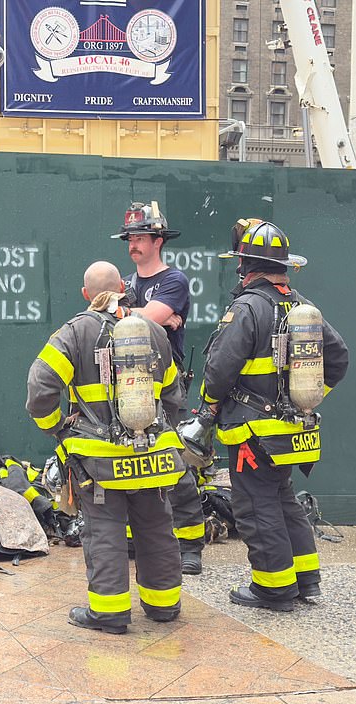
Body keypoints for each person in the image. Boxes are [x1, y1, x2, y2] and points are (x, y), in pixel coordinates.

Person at [26, 261, 186, 634]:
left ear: (86, 294)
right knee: (157, 526)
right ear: (123, 288)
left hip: (101, 462)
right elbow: (173, 394)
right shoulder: (154, 332)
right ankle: (163, 605)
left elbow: (39, 388)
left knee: (105, 530)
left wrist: (56, 428)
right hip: (153, 456)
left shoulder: (75, 332)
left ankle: (109, 612)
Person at [201, 219, 349, 611]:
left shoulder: (248, 307)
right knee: (283, 499)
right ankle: (305, 580)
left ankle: (274, 588)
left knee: (256, 505)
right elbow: (338, 358)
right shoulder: (302, 306)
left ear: (245, 265)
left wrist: (209, 405)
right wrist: (308, 399)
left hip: (253, 432)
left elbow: (218, 371)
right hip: (293, 429)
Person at [115, 201, 206, 575]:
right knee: (128, 457)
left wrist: (133, 313)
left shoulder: (174, 281)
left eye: (140, 237)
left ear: (158, 241)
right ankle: (134, 538)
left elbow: (145, 318)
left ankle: (190, 545)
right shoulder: (126, 283)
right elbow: (115, 320)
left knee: (173, 460)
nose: (133, 244)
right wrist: (155, 317)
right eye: (130, 238)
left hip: (165, 385)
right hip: (128, 383)